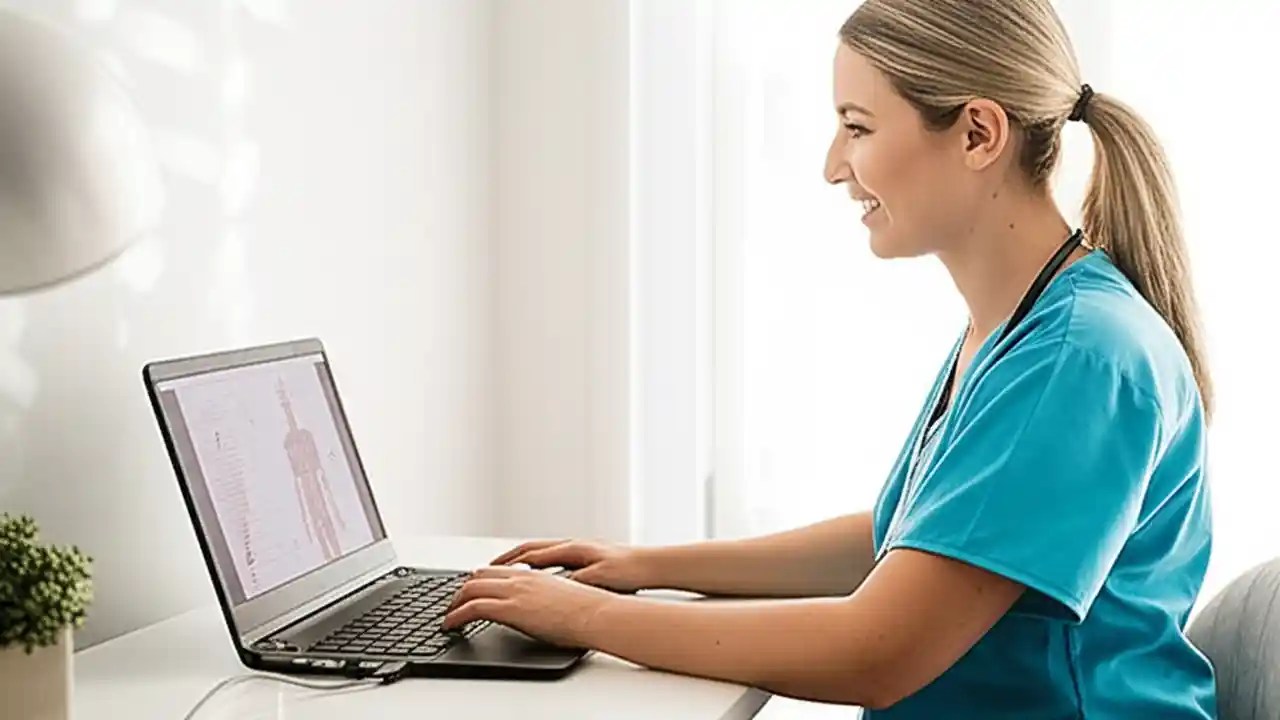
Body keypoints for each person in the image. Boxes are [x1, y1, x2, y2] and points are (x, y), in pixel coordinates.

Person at [442, 0, 1218, 716]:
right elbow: (903, 542)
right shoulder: (1025, 321)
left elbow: (875, 650)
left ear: (979, 134)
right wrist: (645, 563)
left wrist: (588, 618)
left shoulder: (1077, 358)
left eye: (858, 127)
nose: (832, 166)